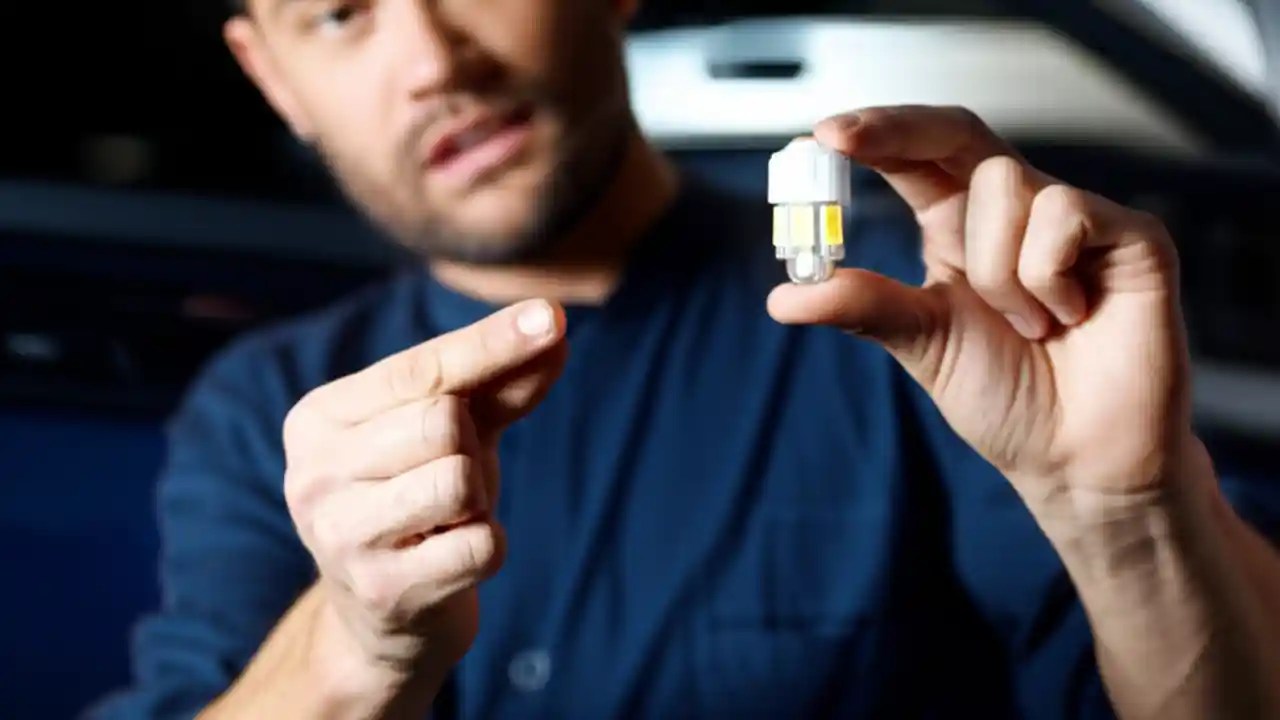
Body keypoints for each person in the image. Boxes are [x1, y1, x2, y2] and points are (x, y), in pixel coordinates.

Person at [90, 0, 1280, 718]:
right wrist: (354, 654)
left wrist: (1127, 517)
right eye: (340, 14)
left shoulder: (934, 332)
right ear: (272, 76)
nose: (432, 61)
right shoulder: (263, 415)